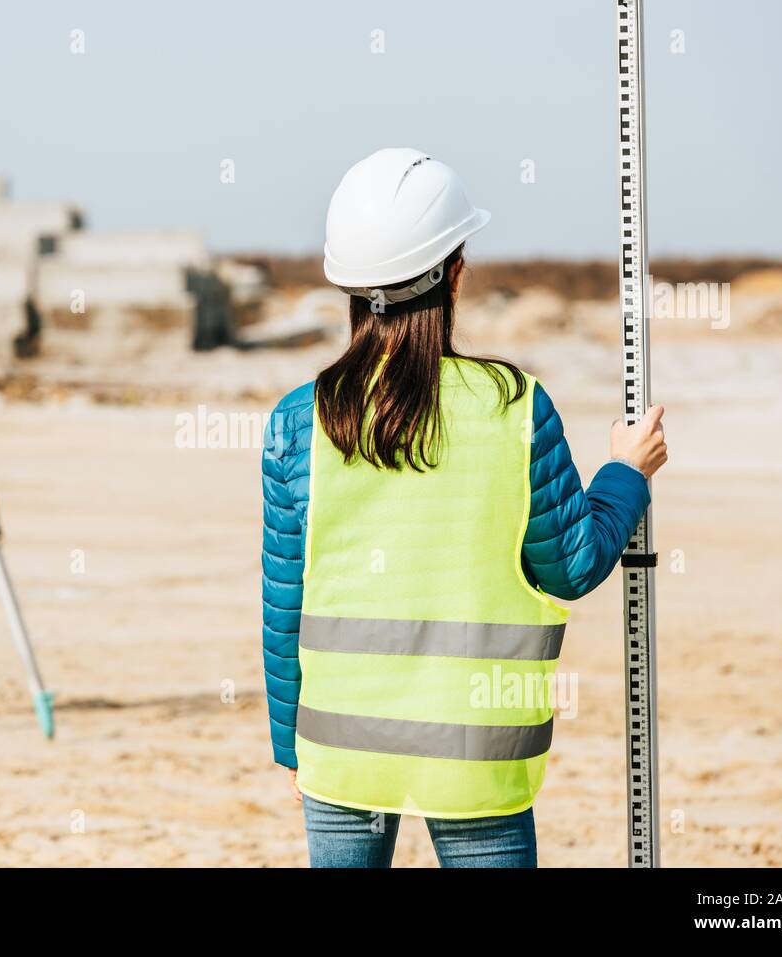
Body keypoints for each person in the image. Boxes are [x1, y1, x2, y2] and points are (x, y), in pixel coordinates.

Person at [260, 148, 667, 867]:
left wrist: (290, 745)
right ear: (454, 273)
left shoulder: (301, 420)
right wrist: (625, 473)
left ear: (348, 284)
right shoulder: (513, 408)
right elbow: (572, 563)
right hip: (477, 748)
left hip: (341, 744)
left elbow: (284, 601)